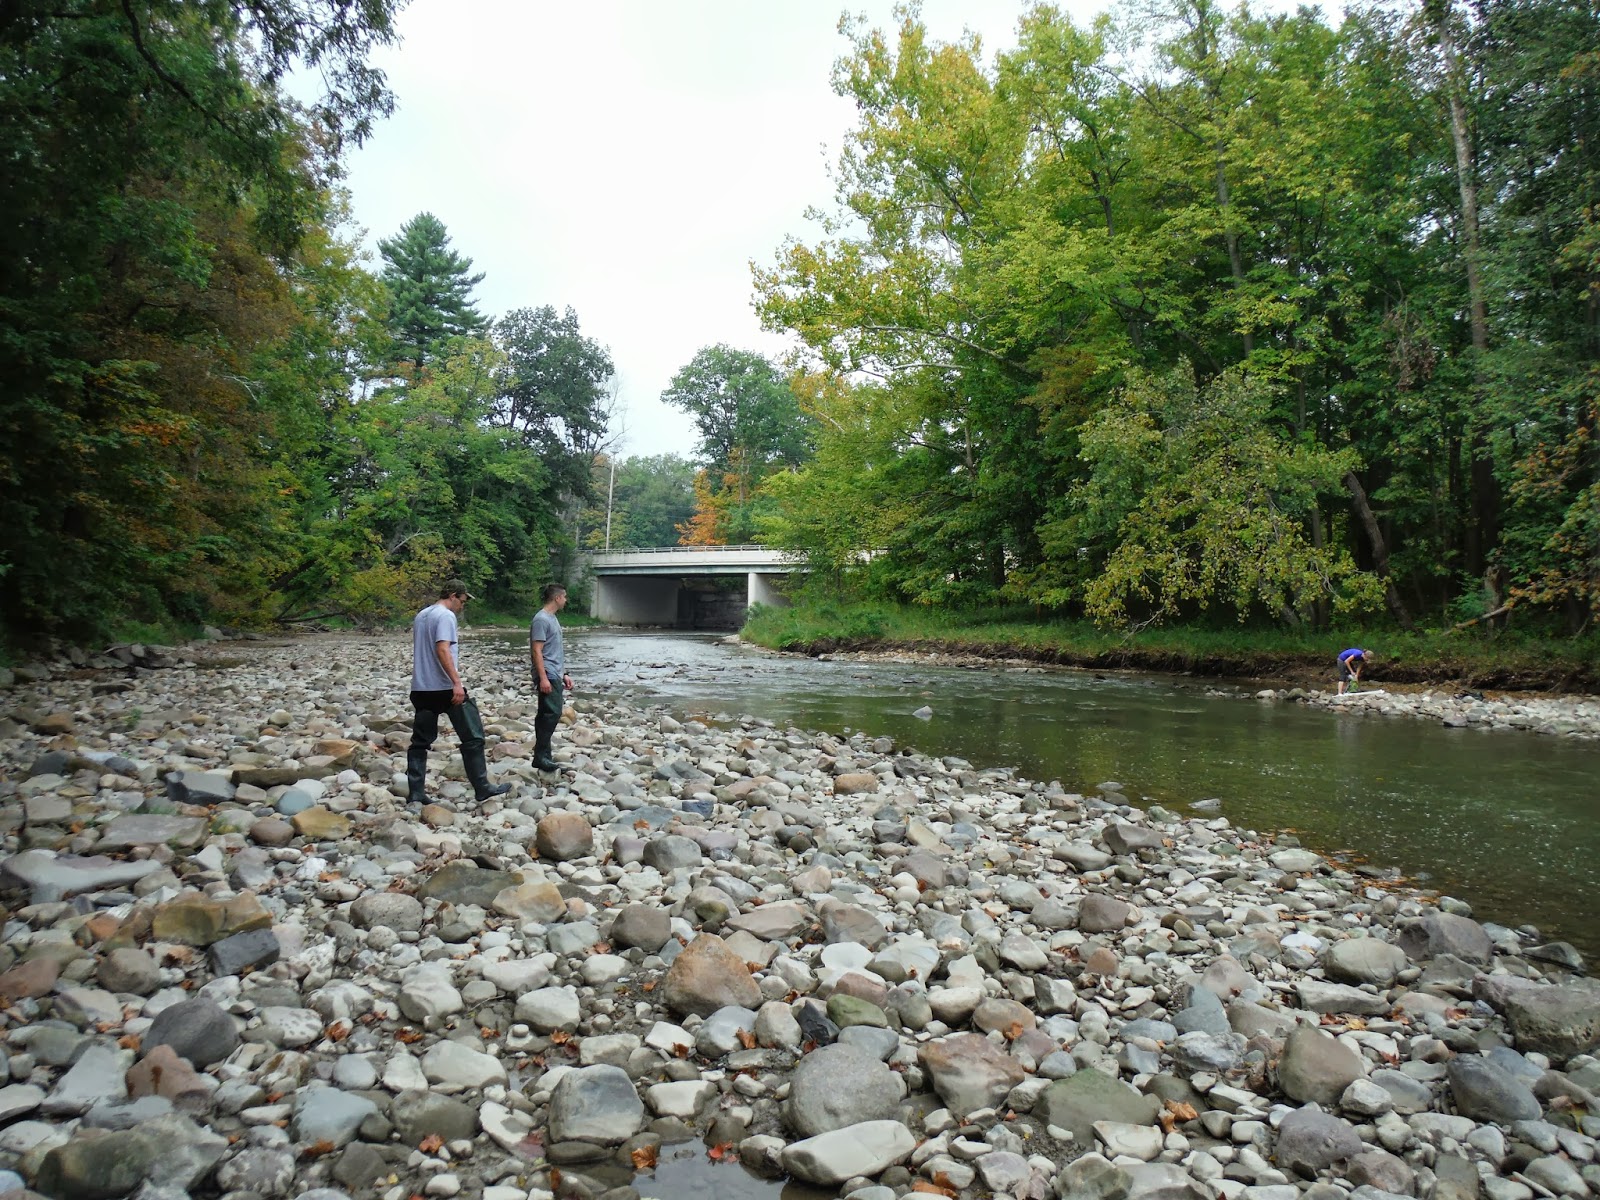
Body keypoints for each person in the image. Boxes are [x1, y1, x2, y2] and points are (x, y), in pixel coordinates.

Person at [406, 580, 511, 806]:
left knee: (419, 742)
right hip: (444, 688)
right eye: (462, 601)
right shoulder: (445, 616)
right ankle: (482, 787)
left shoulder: (422, 615)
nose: (462, 606)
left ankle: (415, 792)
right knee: (473, 736)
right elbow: (442, 649)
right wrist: (457, 683)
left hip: (421, 688)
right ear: (453, 595)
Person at [529, 582, 573, 771]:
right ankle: (540, 755)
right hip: (547, 673)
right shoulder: (541, 619)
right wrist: (543, 677)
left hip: (555, 672)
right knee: (551, 713)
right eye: (564, 597)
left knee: (549, 713)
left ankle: (544, 755)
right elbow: (537, 651)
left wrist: (564, 674)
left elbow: (554, 650)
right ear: (557, 598)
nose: (566, 600)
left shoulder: (552, 618)